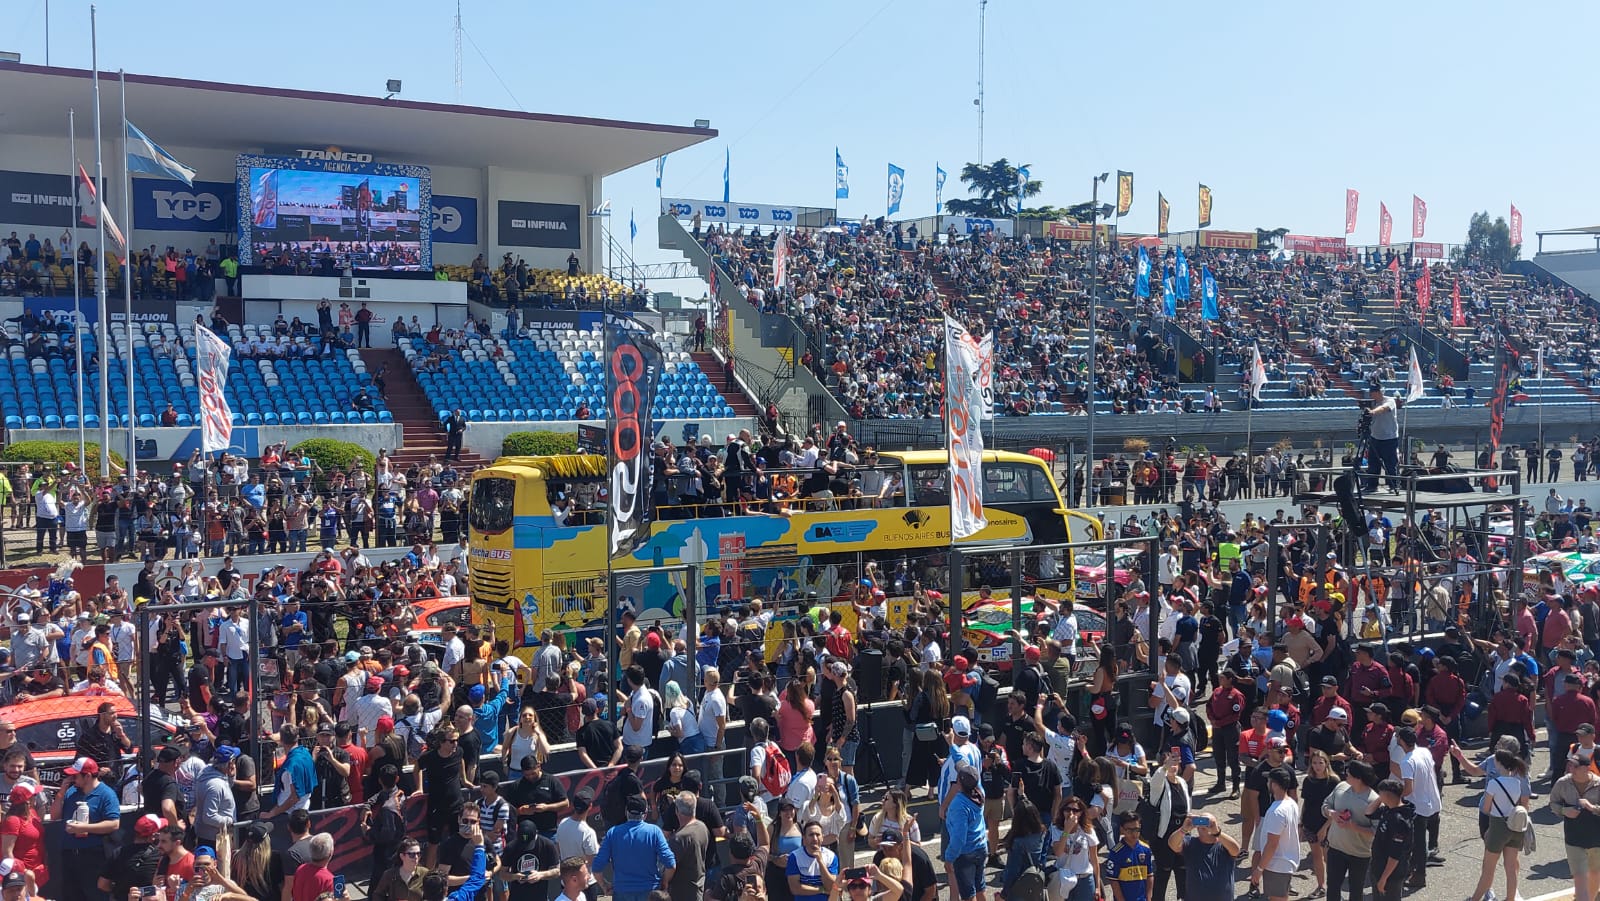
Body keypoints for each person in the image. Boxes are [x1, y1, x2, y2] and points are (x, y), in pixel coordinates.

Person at [53, 756, 120, 901]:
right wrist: (61, 792)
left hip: (93, 855)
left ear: (87, 776)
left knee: (94, 895)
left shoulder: (106, 794)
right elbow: (54, 816)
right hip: (70, 854)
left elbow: (114, 823)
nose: (72, 778)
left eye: (75, 775)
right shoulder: (71, 792)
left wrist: (84, 828)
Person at [593, 794, 674, 901]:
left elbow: (596, 867)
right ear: (645, 814)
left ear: (626, 812)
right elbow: (671, 864)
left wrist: (605, 886)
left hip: (621, 893)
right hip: (650, 892)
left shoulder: (613, 833)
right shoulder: (654, 832)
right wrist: (664, 882)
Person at [1550, 754, 1600, 901]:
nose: (1571, 768)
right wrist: (1564, 811)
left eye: (1575, 766)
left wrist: (1592, 808)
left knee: (1595, 876)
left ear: (1586, 768)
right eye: (1570, 765)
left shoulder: (1598, 784)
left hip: (1596, 839)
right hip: (1573, 839)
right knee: (1579, 879)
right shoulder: (1563, 783)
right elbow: (1553, 803)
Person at [1251, 769, 1301, 901]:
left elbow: (1272, 844)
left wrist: (1259, 868)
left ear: (1274, 784)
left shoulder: (1276, 812)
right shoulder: (1291, 803)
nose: (1267, 783)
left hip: (1276, 865)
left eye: (1269, 781)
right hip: (1285, 863)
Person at [1169, 812, 1240, 901]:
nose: (1203, 825)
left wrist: (1217, 833)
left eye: (1207, 822)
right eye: (1200, 821)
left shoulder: (1223, 845)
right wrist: (1183, 829)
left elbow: (1236, 850)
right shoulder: (1190, 843)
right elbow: (1172, 844)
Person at [1367, 779, 1413, 901]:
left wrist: (1383, 879)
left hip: (1391, 874)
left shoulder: (1400, 821)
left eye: (1380, 794)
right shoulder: (1388, 810)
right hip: (1378, 866)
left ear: (1387, 795)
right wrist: (1381, 798)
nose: (1378, 796)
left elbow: (1395, 854)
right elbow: (1368, 812)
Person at [1105, 814, 1153, 901]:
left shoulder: (1145, 849)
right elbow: (1113, 880)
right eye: (1129, 830)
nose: (1134, 834)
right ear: (1122, 829)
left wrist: (1149, 898)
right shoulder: (1116, 852)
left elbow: (1149, 875)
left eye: (1136, 830)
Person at [790, 819, 841, 901]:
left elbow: (831, 886)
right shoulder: (795, 857)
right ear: (804, 838)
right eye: (811, 835)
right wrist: (822, 890)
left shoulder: (831, 857)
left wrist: (820, 861)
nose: (814, 838)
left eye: (817, 835)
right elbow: (795, 889)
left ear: (822, 838)